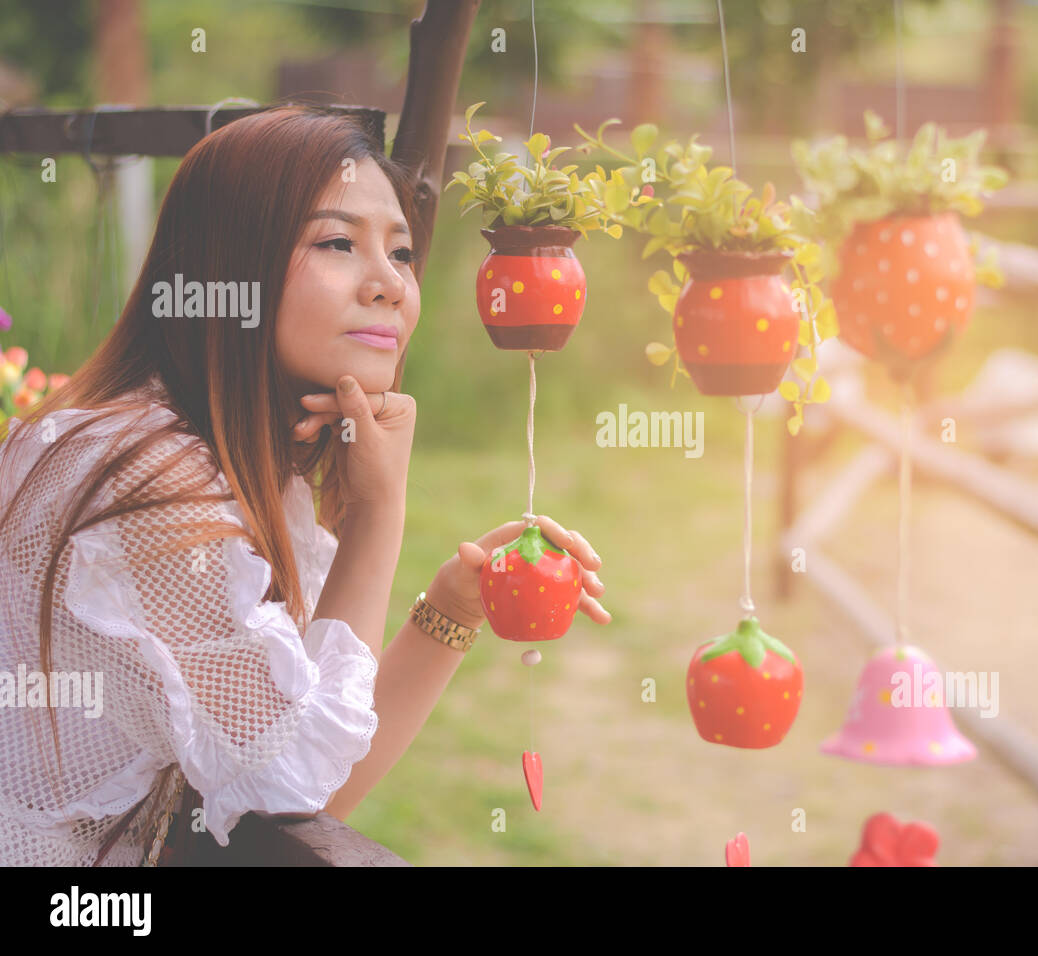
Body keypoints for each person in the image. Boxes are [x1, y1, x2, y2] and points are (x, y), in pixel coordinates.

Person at [0, 105, 610, 866]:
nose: (389, 283)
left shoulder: (228, 469)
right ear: (228, 269)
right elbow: (292, 789)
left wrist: (453, 605)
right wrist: (378, 513)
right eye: (337, 243)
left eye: (402, 252)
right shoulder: (139, 477)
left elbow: (310, 791)